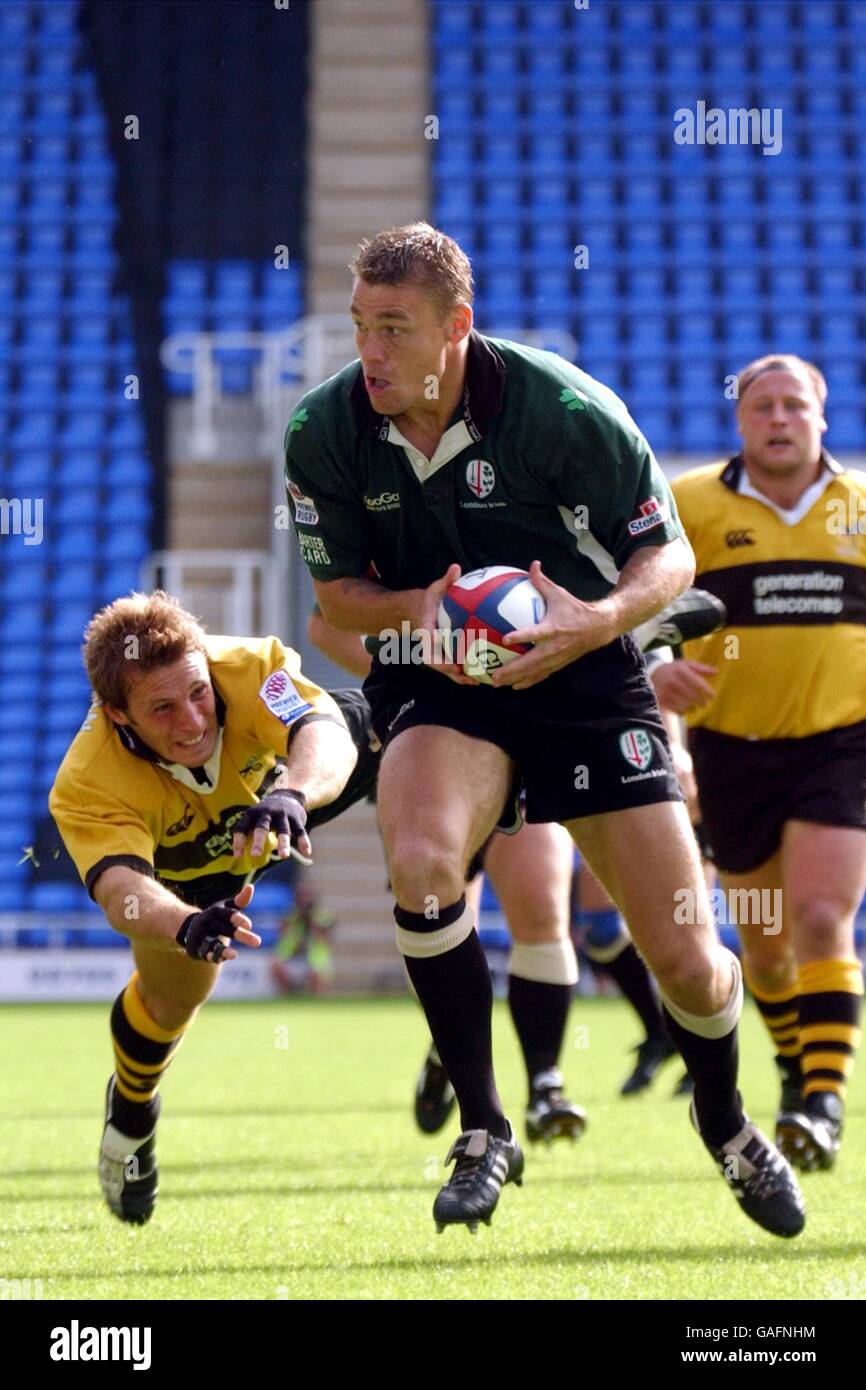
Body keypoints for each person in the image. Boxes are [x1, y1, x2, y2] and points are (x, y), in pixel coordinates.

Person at [283, 221, 804, 1236]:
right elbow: (335, 599)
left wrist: (595, 619)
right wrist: (418, 617)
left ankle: (726, 1119)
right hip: (445, 676)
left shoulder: (563, 410)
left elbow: (668, 562)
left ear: (456, 329)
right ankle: (484, 1126)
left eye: (394, 329)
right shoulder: (323, 431)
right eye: (359, 327)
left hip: (580, 665)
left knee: (690, 961)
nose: (370, 354)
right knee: (424, 859)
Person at [49, 590, 379, 1224]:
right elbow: (124, 895)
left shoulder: (252, 670)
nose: (193, 722)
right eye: (162, 709)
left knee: (401, 724)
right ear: (119, 717)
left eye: (197, 693)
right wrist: (187, 924)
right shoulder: (88, 779)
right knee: (174, 1000)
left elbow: (324, 735)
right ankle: (131, 1113)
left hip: (279, 798)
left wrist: (294, 795)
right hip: (184, 879)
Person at [659, 354, 866, 1173]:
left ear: (822, 417)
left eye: (793, 406)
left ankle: (822, 1103)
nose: (778, 420)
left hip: (842, 742)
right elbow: (641, 608)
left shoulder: (860, 508)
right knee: (766, 946)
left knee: (822, 917)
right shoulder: (691, 504)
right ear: (739, 421)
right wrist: (655, 668)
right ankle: (794, 1067)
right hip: (730, 749)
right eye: (761, 407)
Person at [308, 605, 586, 1143]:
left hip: (531, 729)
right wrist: (413, 666)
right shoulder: (397, 528)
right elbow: (325, 622)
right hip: (437, 731)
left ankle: (545, 1087)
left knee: (542, 909)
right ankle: (451, 1044)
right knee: (438, 913)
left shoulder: (545, 528)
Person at [270, 879, 336, 995]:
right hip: (293, 957)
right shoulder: (291, 916)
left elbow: (326, 939)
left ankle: (316, 1001)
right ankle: (288, 996)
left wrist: (311, 920)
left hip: (314, 959)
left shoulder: (321, 917)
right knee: (276, 965)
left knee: (316, 973)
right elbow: (281, 933)